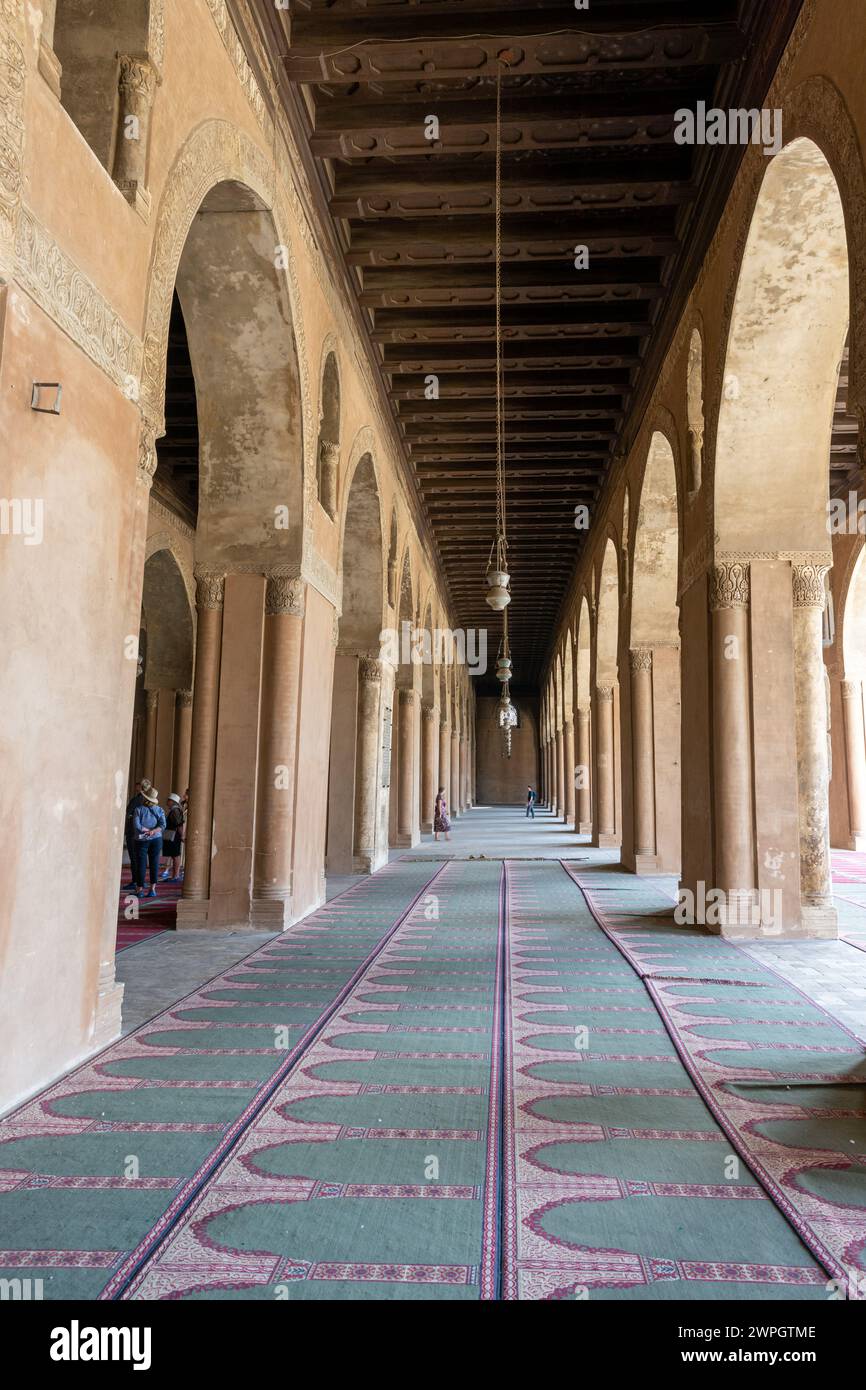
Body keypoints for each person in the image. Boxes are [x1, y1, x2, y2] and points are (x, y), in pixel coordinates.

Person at [133, 786, 167, 899]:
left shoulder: (138, 810)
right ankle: (152, 889)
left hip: (142, 840)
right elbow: (163, 825)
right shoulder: (160, 810)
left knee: (141, 864)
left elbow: (137, 826)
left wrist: (147, 831)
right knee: (154, 863)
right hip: (156, 839)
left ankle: (140, 890)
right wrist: (153, 831)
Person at [124, 779, 152, 890]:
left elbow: (127, 812)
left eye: (138, 784)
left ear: (141, 787)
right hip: (145, 832)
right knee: (141, 857)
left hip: (133, 832)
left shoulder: (137, 799)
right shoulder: (149, 801)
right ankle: (141, 881)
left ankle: (136, 881)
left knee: (134, 857)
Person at [160, 792, 184, 882]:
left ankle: (176, 876)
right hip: (173, 836)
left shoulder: (175, 811)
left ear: (172, 801)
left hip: (174, 836)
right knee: (174, 855)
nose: (167, 802)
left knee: (175, 855)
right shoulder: (174, 810)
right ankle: (174, 876)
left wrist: (182, 835)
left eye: (168, 800)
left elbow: (179, 824)